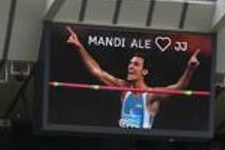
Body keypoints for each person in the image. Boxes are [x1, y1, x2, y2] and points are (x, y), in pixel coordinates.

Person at [65, 26, 202, 130]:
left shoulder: (150, 95)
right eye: (130, 63)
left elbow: (178, 88)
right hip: (121, 141)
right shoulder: (123, 88)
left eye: (136, 64)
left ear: (144, 71)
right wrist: (80, 47)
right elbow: (97, 71)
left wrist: (190, 69)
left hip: (144, 144)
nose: (131, 66)